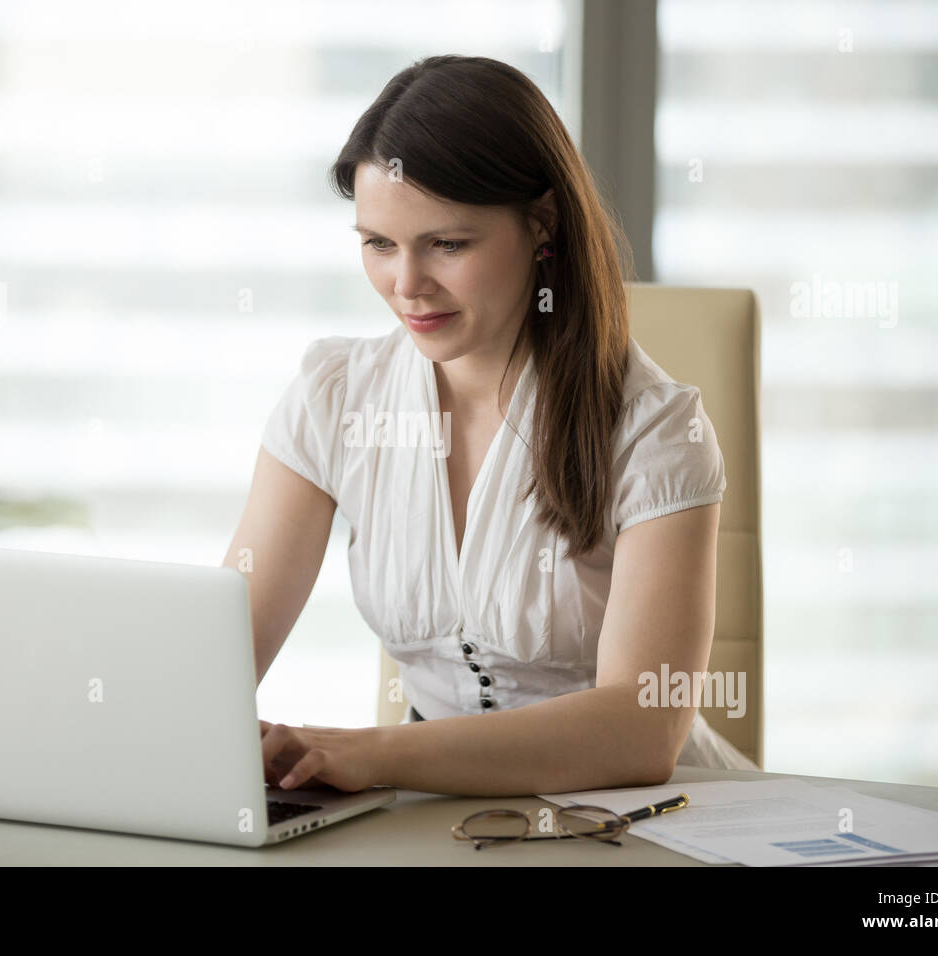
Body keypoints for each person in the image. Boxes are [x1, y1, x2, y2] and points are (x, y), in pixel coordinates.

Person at [223, 54, 758, 798]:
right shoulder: (335, 397)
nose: (406, 286)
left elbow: (643, 727)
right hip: (438, 821)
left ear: (542, 224)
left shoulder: (655, 429)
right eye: (378, 244)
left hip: (651, 825)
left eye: (446, 244)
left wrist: (368, 754)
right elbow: (217, 662)